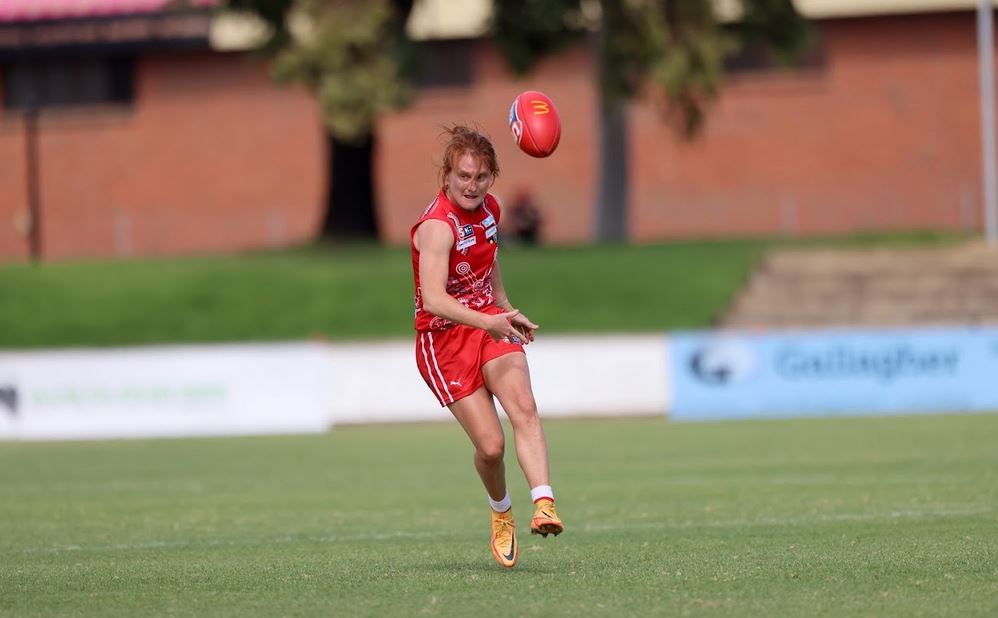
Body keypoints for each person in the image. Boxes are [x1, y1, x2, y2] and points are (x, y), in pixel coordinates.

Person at [410, 125, 564, 568]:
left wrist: (506, 310)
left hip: (488, 324)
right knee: (492, 447)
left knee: (524, 405)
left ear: (492, 177)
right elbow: (435, 298)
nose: (472, 186)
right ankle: (501, 512)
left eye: (480, 178)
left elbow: (489, 260)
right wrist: (489, 320)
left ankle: (545, 504)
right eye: (463, 176)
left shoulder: (491, 210)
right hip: (443, 341)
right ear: (447, 175)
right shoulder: (437, 227)